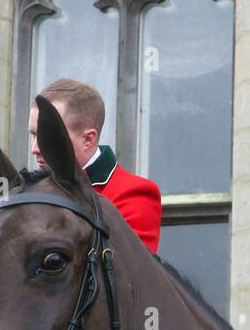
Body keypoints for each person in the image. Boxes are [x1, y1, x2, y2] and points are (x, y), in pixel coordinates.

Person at [31, 78, 162, 252]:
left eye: (47, 136)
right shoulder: (30, 193)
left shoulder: (133, 193)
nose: (35, 149)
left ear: (88, 139)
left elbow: (130, 274)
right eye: (33, 135)